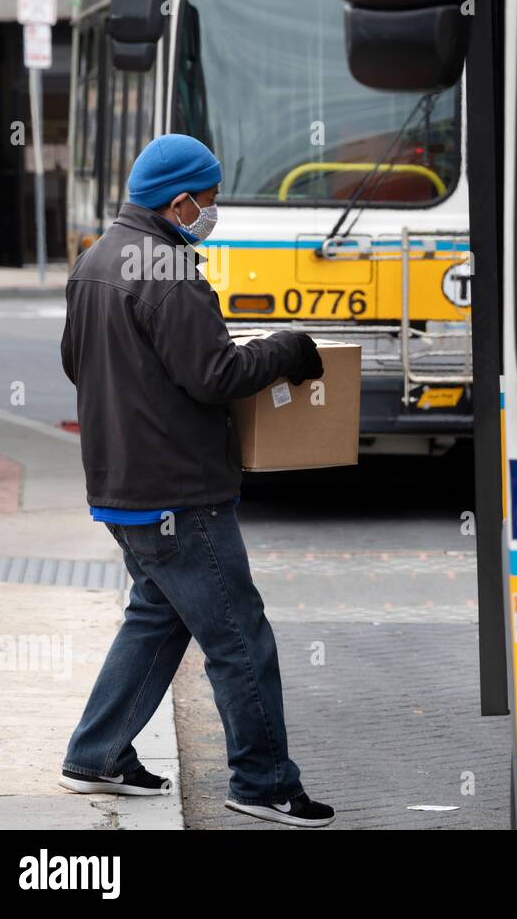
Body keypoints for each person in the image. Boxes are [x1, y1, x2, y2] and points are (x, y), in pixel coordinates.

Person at [58, 134, 335, 827]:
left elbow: (78, 365)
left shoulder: (97, 257)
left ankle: (97, 752)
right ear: (179, 203)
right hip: (179, 493)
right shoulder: (167, 267)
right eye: (208, 203)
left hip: (122, 487)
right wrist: (287, 348)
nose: (212, 214)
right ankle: (264, 782)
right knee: (240, 637)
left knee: (158, 618)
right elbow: (217, 376)